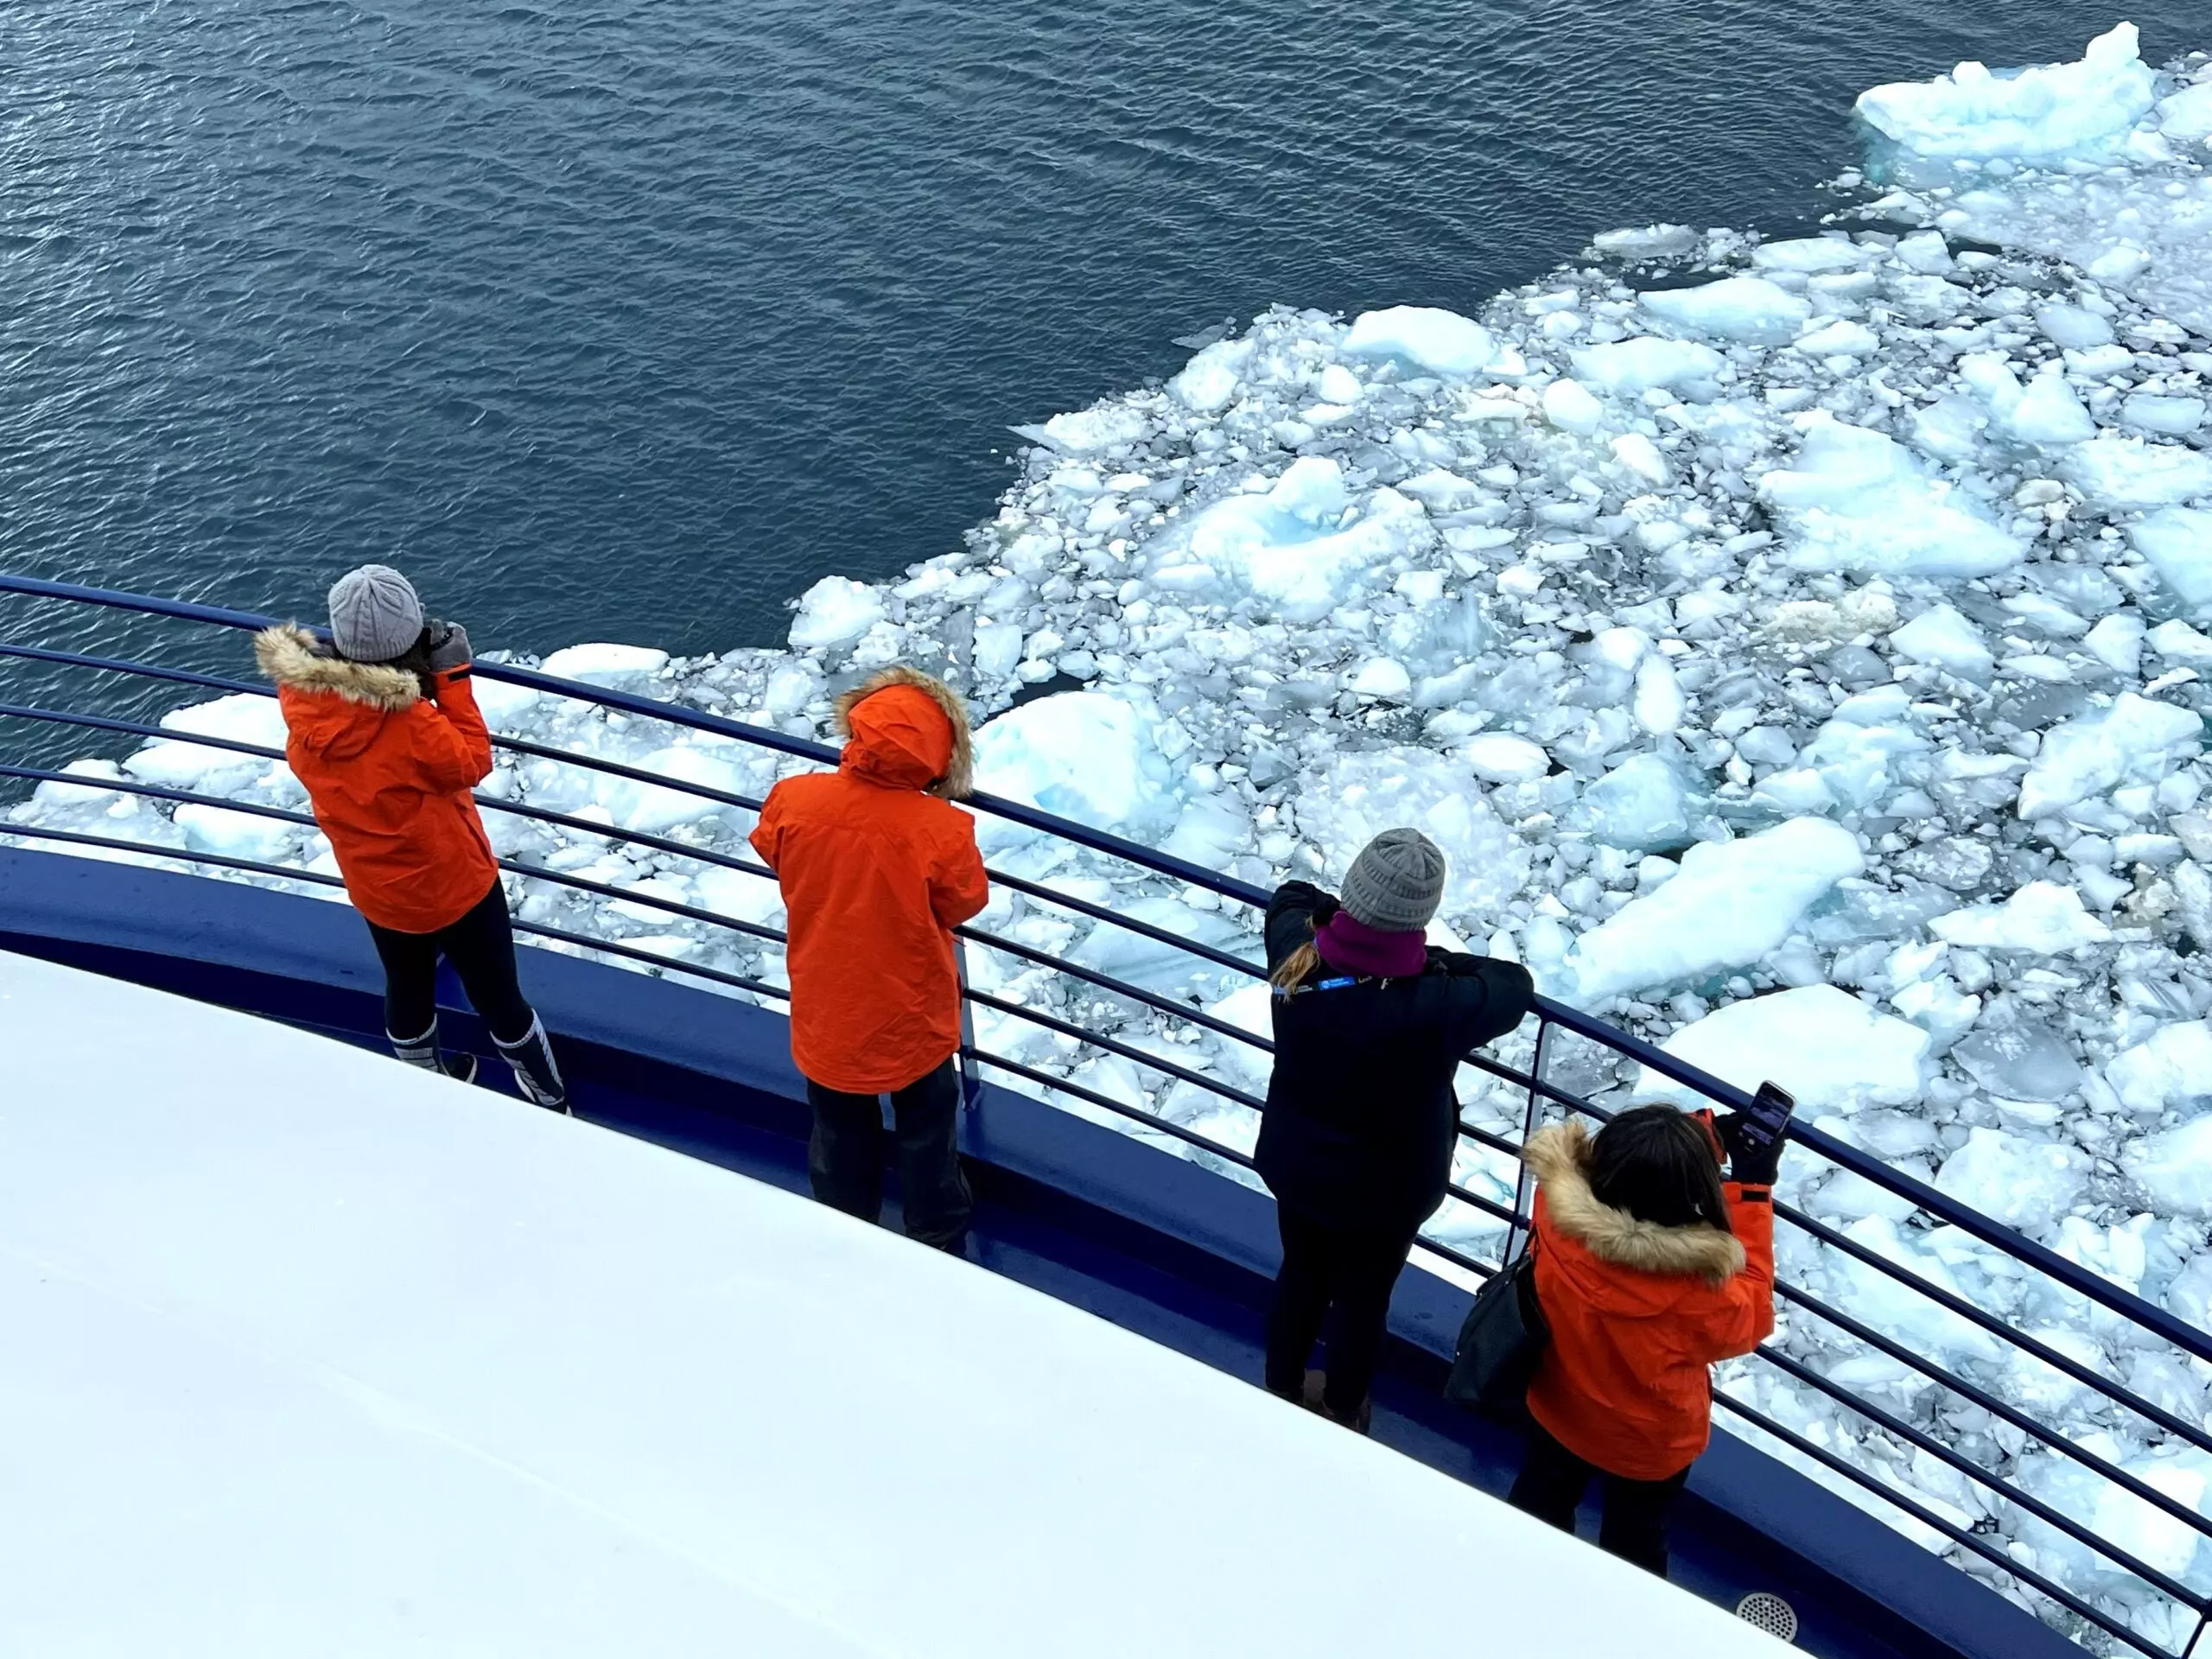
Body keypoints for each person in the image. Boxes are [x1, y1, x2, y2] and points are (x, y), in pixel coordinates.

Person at [257, 564, 569, 1112]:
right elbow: (470, 762)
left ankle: (429, 1085)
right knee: (499, 998)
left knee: (407, 985)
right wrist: (452, 680)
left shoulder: (305, 702)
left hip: (378, 888)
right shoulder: (408, 722)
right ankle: (550, 1099)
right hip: (453, 885)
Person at [1257, 829, 1535, 1431]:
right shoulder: (1437, 1004)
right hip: (1387, 1196)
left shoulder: (1293, 956)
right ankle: (1342, 1406)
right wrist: (1428, 962)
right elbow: (1512, 986)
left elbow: (1291, 896)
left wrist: (1336, 919)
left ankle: (1279, 1386)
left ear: (1355, 894)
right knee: (1363, 1301)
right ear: (1422, 916)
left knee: (1301, 1274)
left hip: (1298, 1167)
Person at [749, 666, 988, 1252]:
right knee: (927, 1130)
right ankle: (937, 1232)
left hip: (828, 1009)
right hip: (911, 1018)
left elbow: (771, 848)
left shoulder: (795, 799)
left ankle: (845, 1227)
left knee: (837, 1130)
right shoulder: (942, 830)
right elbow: (965, 900)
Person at [1507, 1103, 1780, 1576]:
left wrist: (1700, 1135)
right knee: (1635, 1538)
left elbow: (1621, 1169)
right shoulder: (1697, 1292)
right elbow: (1752, 1315)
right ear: (1692, 1193)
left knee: (1540, 1500)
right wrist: (1752, 1189)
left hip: (1556, 1404)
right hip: (1645, 1446)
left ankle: (1528, 1582)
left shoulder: (1554, 1209)